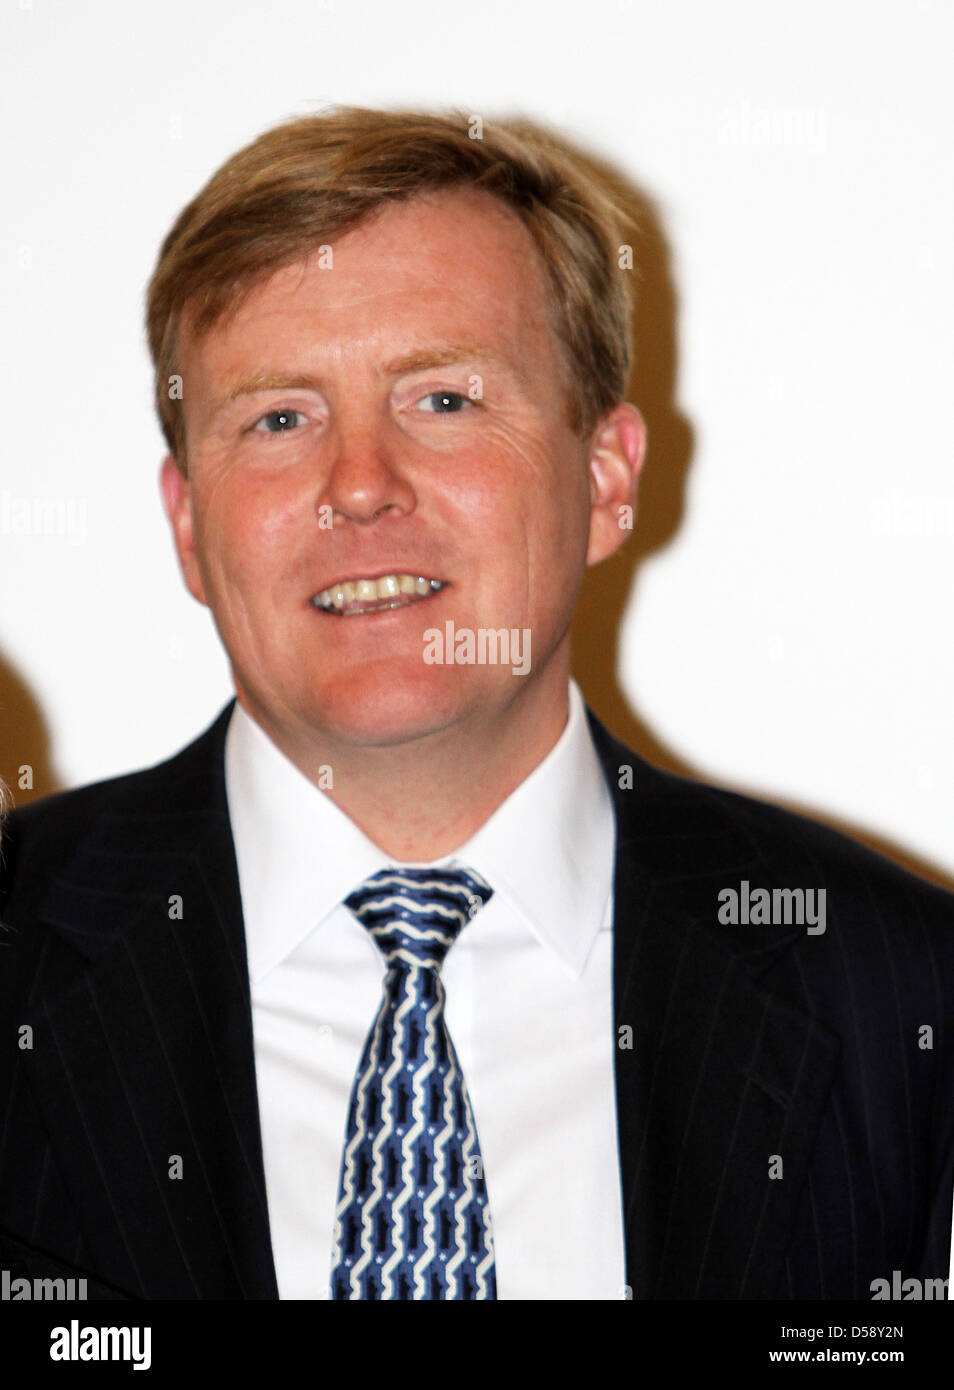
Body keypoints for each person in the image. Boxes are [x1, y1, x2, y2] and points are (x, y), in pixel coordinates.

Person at [1, 106, 952, 1302]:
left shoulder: (899, 989)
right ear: (189, 524)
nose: (357, 485)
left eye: (443, 399)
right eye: (279, 418)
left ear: (606, 479)